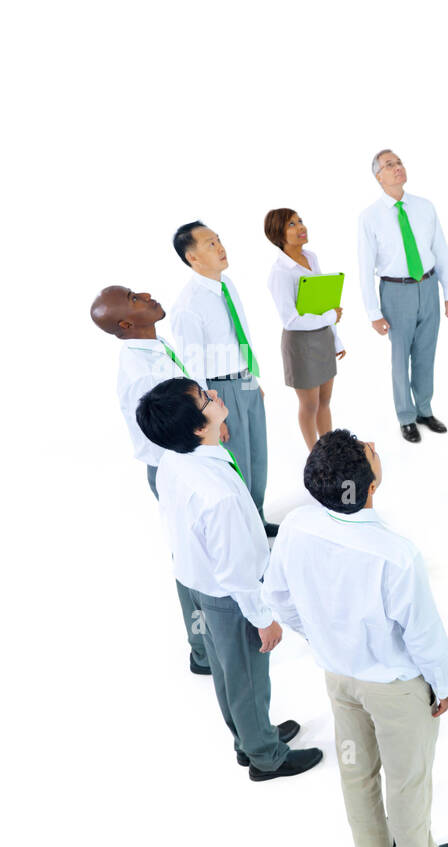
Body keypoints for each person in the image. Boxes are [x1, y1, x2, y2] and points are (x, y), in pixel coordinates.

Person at [262, 430, 448, 847]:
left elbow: (277, 594)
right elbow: (423, 636)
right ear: (369, 487)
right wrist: (442, 683)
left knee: (355, 766)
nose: (374, 445)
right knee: (406, 776)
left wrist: (318, 637)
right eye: (369, 450)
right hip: (395, 687)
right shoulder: (396, 555)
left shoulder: (295, 526)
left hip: (338, 676)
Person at [135, 378, 323, 780]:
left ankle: (250, 735)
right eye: (206, 398)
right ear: (197, 428)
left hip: (194, 582)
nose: (216, 395)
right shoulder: (215, 494)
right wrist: (263, 618)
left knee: (225, 670)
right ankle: (265, 755)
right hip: (229, 596)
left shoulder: (172, 460)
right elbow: (235, 569)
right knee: (248, 677)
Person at [92, 284, 209, 675]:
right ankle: (203, 649)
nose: (145, 294)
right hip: (176, 469)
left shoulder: (155, 347)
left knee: (206, 549)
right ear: (126, 323)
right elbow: (161, 434)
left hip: (190, 458)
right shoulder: (140, 371)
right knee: (193, 556)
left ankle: (216, 632)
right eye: (133, 297)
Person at [170, 221, 275, 534]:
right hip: (218, 390)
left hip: (244, 380)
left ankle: (257, 517)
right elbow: (192, 367)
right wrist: (210, 414)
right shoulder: (188, 305)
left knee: (259, 455)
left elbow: (239, 335)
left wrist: (252, 380)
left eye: (218, 240)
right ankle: (242, 528)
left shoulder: (226, 284)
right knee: (236, 462)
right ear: (193, 258)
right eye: (209, 244)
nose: (220, 247)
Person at [358, 149, 448, 443]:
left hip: (428, 285)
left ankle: (424, 410)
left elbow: (440, 250)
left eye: (398, 162)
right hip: (395, 291)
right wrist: (373, 312)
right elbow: (364, 266)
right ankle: (406, 416)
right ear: (379, 176)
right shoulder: (370, 217)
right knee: (400, 357)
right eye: (389, 165)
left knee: (426, 354)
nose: (397, 167)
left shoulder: (425, 207)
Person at [264, 208, 346, 450]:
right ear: (278, 235)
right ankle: (315, 454)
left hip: (322, 337)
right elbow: (291, 320)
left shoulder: (311, 257)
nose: (301, 227)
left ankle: (329, 448)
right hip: (300, 344)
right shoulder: (280, 272)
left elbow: (321, 304)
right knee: (309, 405)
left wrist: (336, 340)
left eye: (300, 221)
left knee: (325, 400)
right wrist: (330, 316)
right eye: (292, 225)